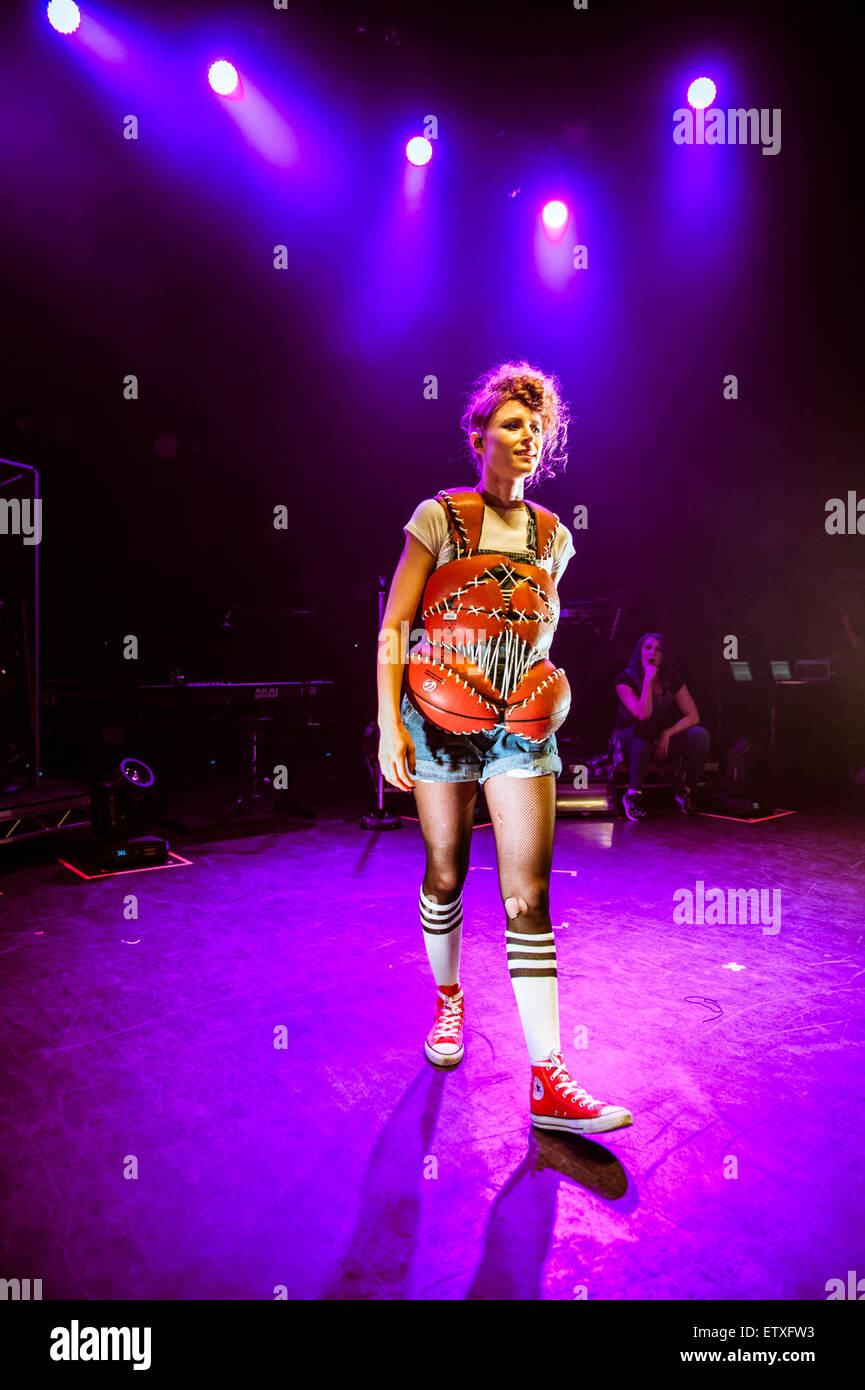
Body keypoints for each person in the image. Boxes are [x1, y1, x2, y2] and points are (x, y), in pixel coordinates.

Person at [376, 361, 633, 1136]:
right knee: (446, 869)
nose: (528, 437)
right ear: (478, 434)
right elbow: (395, 624)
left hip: (517, 726)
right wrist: (389, 723)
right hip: (435, 717)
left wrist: (546, 693)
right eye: (513, 424)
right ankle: (449, 1003)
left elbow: (538, 632)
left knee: (528, 895)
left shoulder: (553, 537)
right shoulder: (438, 519)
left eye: (537, 427)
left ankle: (549, 1079)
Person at [613, 633, 710, 822]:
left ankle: (687, 791)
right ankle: (633, 794)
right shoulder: (625, 679)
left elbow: (694, 716)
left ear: (663, 655)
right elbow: (643, 715)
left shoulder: (672, 679)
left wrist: (668, 732)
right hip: (629, 737)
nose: (652, 653)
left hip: (659, 735)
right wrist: (648, 680)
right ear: (639, 652)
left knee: (700, 735)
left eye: (658, 649)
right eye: (648, 648)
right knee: (646, 726)